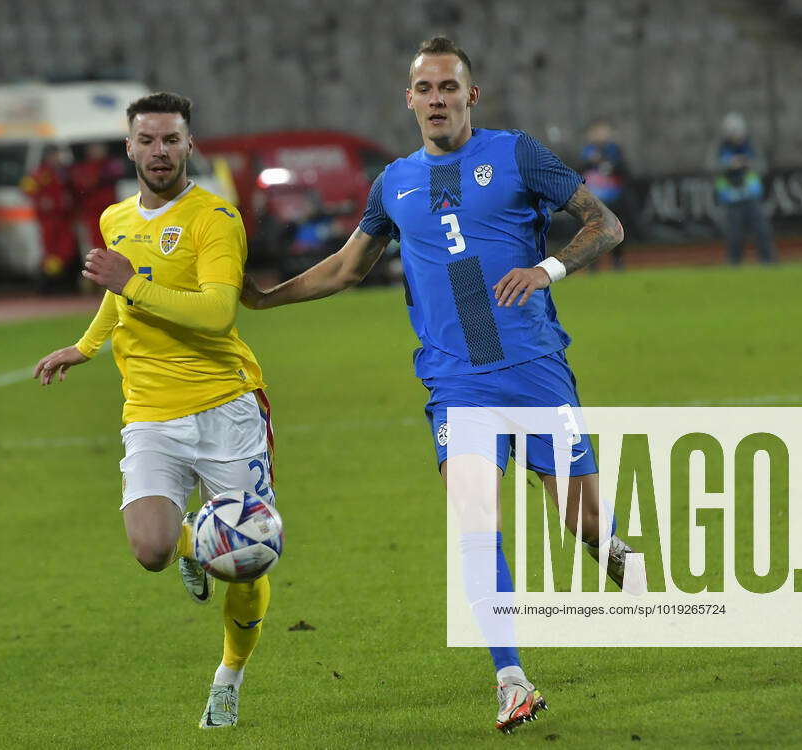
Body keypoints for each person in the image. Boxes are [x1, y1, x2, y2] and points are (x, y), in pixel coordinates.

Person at [242, 37, 634, 733]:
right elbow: (344, 268)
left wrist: (549, 270)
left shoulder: (517, 155)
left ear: (470, 97)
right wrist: (269, 299)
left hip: (535, 367)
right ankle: (510, 677)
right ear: (409, 99)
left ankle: (611, 553)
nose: (436, 99)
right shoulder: (393, 184)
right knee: (477, 525)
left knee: (582, 521)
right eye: (424, 88)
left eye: (448, 87)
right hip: (458, 382)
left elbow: (606, 223)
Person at [33, 92, 274, 729]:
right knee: (150, 551)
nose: (160, 151)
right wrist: (85, 346)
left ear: (189, 144)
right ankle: (195, 539)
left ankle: (228, 676)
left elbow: (219, 312)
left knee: (251, 559)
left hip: (226, 408)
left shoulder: (215, 218)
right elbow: (120, 302)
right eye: (148, 140)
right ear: (130, 146)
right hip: (151, 413)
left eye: (171, 139)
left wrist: (131, 282)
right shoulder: (115, 219)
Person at [713, 112, 777, 264]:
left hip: (751, 198)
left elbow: (763, 166)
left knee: (762, 231)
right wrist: (729, 165)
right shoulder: (720, 149)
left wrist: (747, 163)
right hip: (731, 199)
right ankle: (734, 265)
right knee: (734, 236)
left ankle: (768, 262)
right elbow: (711, 168)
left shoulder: (751, 146)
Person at [579, 119, 635, 271]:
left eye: (602, 131)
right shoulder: (586, 152)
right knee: (592, 231)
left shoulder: (615, 151)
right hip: (593, 198)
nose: (599, 135)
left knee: (616, 229)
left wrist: (610, 165)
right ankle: (592, 263)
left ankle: (617, 260)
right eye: (596, 132)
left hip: (613, 197)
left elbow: (625, 171)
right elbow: (579, 170)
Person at [21, 145, 78, 292]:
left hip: (64, 218)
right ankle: (49, 283)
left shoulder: (64, 173)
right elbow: (27, 189)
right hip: (48, 219)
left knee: (66, 250)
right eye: (55, 155)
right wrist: (42, 201)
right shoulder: (41, 173)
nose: (58, 158)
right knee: (51, 252)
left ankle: (60, 281)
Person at [70, 141, 125, 252]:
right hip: (92, 211)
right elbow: (82, 184)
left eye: (99, 148)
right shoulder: (84, 167)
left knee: (115, 238)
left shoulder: (111, 164)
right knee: (96, 241)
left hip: (111, 209)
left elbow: (117, 172)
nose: (97, 151)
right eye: (94, 148)